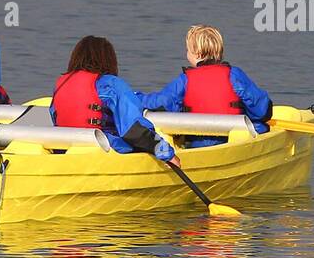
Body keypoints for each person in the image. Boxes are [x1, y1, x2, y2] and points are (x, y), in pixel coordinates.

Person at [51, 35, 178, 163]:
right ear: (109, 60)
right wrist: (167, 153)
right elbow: (133, 129)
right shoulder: (111, 84)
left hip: (66, 149)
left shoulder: (61, 84)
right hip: (103, 150)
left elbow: (54, 116)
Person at [142, 25, 272, 147]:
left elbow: (162, 102)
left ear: (196, 54)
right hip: (233, 140)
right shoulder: (233, 75)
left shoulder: (185, 80)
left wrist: (135, 98)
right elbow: (261, 109)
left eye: (188, 50)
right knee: (260, 125)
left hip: (197, 144)